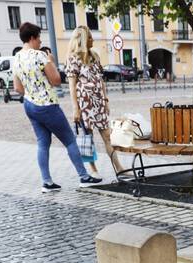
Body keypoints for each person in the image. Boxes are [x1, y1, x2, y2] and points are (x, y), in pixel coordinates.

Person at [10, 21, 100, 192]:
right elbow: (57, 81)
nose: (40, 42)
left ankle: (47, 182)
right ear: (31, 38)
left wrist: (32, 92)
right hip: (48, 105)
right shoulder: (40, 56)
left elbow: (17, 88)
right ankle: (84, 177)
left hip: (29, 105)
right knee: (70, 141)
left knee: (43, 143)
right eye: (39, 38)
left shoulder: (17, 58)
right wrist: (50, 61)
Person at [65, 25, 121, 178]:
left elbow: (101, 80)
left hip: (99, 103)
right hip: (84, 105)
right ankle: (93, 170)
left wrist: (106, 100)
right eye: (90, 37)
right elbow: (72, 86)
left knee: (107, 137)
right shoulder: (73, 59)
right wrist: (75, 108)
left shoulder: (94, 56)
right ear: (83, 40)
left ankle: (120, 168)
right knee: (87, 139)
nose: (92, 39)